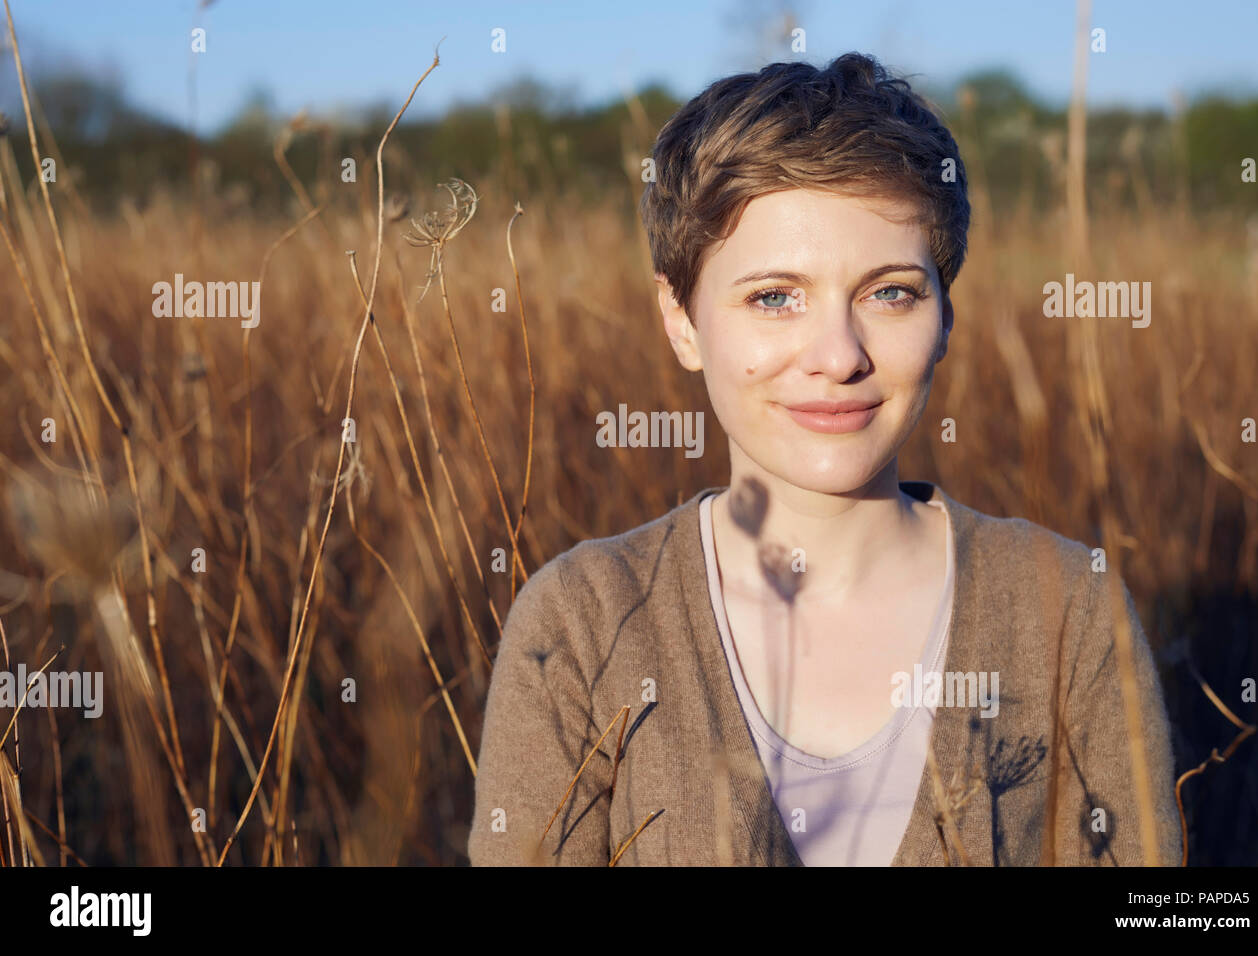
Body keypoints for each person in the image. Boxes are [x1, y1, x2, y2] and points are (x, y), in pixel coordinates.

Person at [468, 51, 1181, 866]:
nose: (838, 356)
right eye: (774, 297)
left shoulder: (1067, 611)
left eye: (890, 293)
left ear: (946, 314)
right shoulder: (582, 624)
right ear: (682, 320)